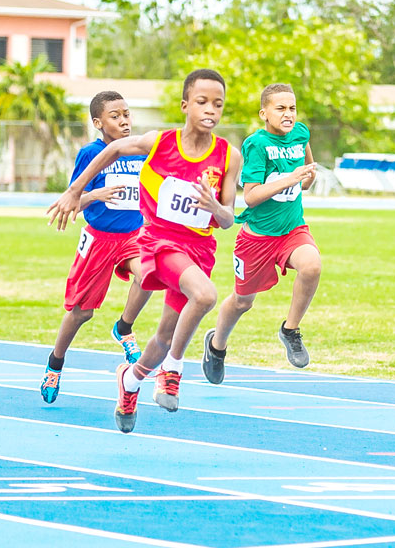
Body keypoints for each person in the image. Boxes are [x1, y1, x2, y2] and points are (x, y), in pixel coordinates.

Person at [47, 69, 240, 432]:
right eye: (201, 102)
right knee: (205, 295)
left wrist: (216, 209)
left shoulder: (229, 156)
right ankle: (173, 369)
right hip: (157, 243)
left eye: (218, 103)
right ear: (186, 106)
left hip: (198, 250)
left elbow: (229, 218)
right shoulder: (161, 142)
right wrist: (76, 192)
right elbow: (115, 149)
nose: (210, 109)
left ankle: (131, 381)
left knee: (164, 336)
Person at [40, 91, 152, 404]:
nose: (124, 121)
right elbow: (73, 200)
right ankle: (55, 364)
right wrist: (96, 194)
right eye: (115, 116)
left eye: (126, 114)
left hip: (133, 235)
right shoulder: (91, 154)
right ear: (98, 123)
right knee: (80, 312)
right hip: (100, 238)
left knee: (150, 275)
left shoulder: (141, 151)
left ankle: (124, 327)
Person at [203, 83, 320, 381]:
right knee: (243, 302)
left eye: (292, 108)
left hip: (292, 229)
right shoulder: (256, 144)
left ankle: (290, 330)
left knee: (312, 266)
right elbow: (251, 196)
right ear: (264, 113)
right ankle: (216, 346)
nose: (288, 114)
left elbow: (305, 175)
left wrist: (307, 178)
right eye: (280, 108)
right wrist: (291, 178)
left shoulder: (301, 134)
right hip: (257, 238)